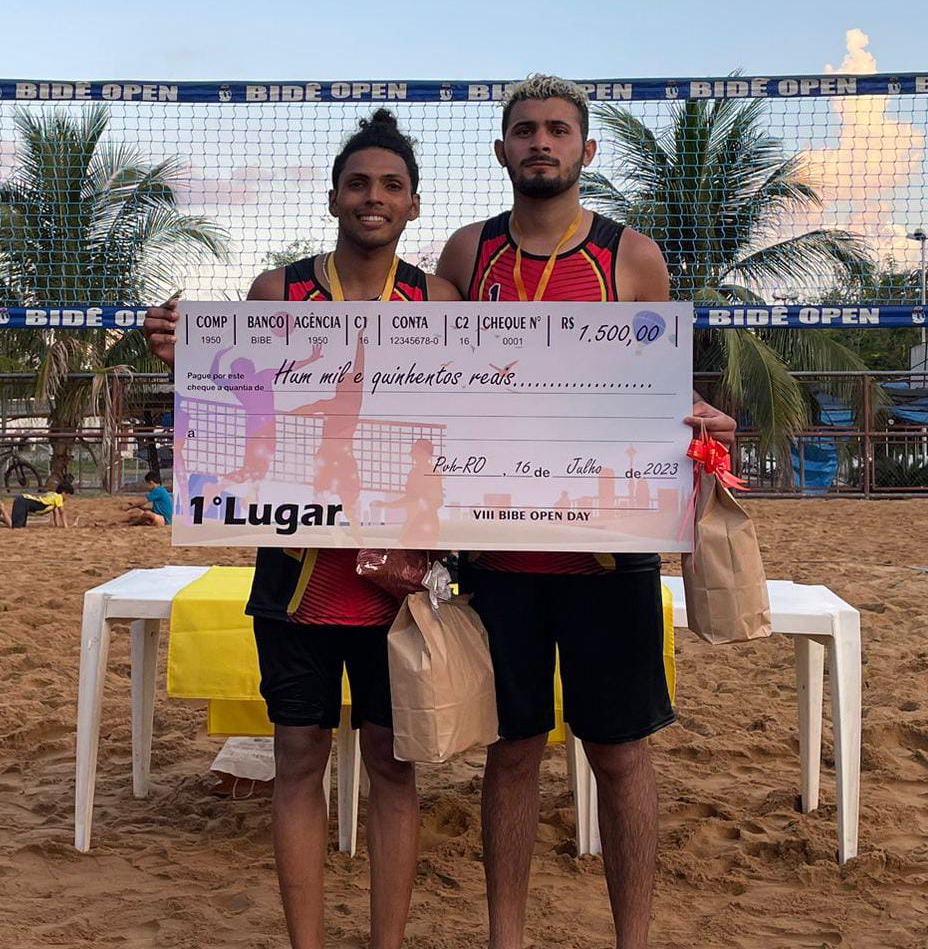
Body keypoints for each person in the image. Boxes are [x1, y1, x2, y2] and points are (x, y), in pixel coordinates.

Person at [144, 109, 459, 949]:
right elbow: (232, 414)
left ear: (414, 206)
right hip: (299, 565)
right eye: (359, 183)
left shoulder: (437, 300)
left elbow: (474, 427)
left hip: (398, 574)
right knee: (297, 761)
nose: (373, 197)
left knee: (396, 769)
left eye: (391, 185)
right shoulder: (278, 293)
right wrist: (180, 359)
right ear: (332, 197)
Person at [437, 74, 737, 949]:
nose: (541, 142)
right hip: (497, 556)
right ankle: (506, 937)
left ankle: (633, 939)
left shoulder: (630, 258)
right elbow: (404, 359)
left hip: (610, 554)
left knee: (621, 754)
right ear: (502, 151)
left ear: (585, 151)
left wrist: (709, 425)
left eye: (558, 130)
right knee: (514, 751)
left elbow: (660, 395)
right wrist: (203, 335)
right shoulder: (467, 255)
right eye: (525, 129)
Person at [0, 481, 75, 529]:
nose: (67, 498)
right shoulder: (58, 497)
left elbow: (56, 512)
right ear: (63, 492)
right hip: (24, 502)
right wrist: (66, 527)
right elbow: (62, 512)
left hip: (24, 501)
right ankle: (2, 508)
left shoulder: (53, 495)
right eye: (68, 496)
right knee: (15, 528)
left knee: (20, 526)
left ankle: (1, 517)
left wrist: (57, 526)